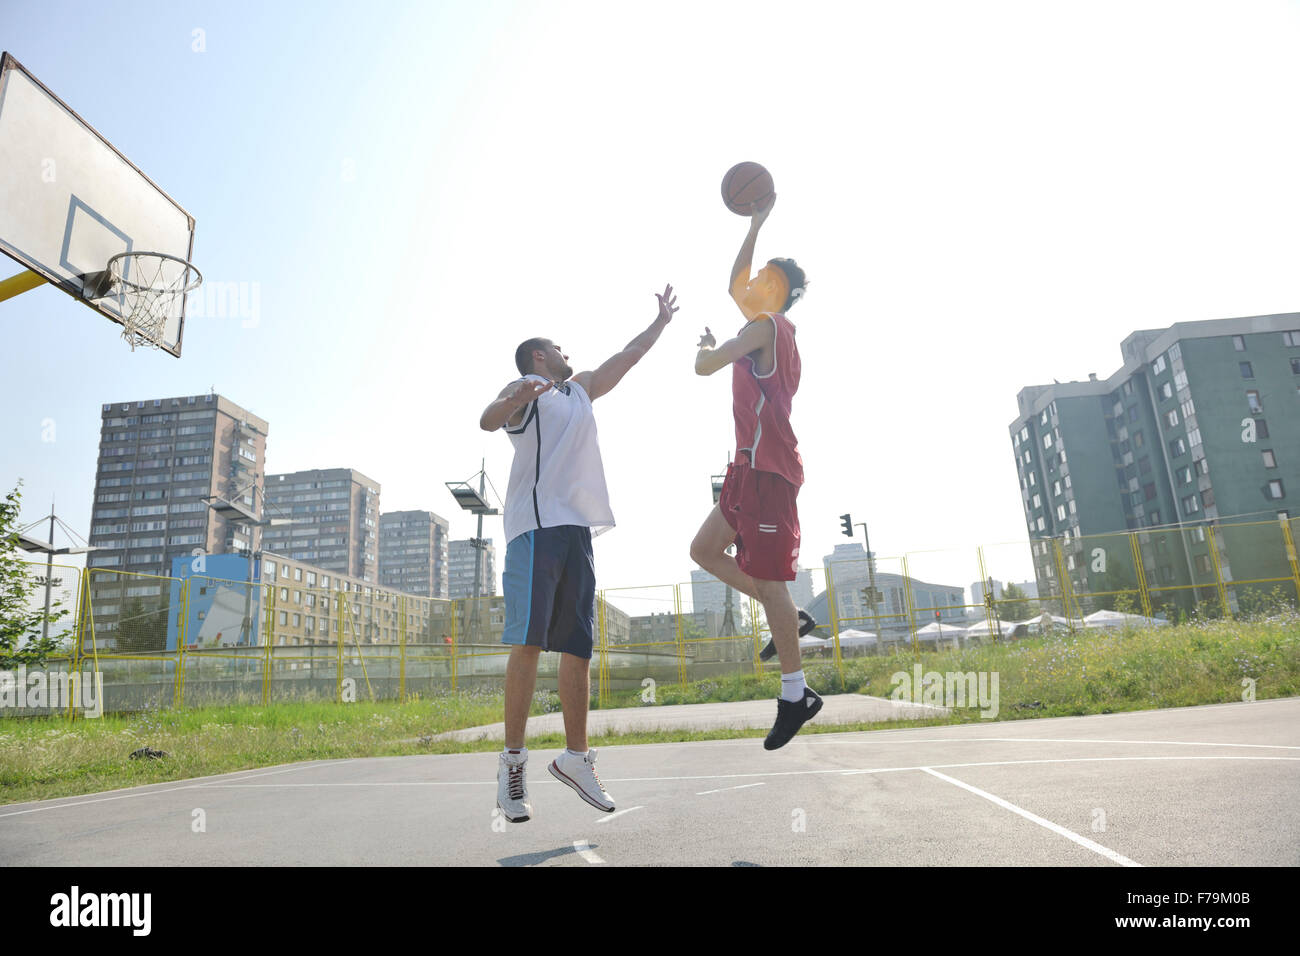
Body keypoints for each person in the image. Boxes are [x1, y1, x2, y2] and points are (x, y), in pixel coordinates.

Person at [479, 284, 678, 822]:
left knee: (579, 648)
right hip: (536, 529)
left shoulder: (581, 390)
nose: (570, 354)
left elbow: (627, 358)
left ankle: (575, 757)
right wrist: (515, 398)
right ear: (541, 355)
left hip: (576, 531)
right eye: (560, 348)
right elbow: (489, 418)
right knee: (528, 642)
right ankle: (512, 764)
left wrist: (659, 323)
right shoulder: (529, 386)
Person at [689, 196, 820, 750]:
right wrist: (755, 225)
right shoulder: (763, 322)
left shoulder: (769, 326)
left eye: (764, 276)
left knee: (771, 584)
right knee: (704, 550)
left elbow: (707, 365)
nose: (754, 281)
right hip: (744, 469)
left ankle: (796, 695)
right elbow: (732, 285)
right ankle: (790, 617)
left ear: (778, 292)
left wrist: (705, 349)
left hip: (769, 473)